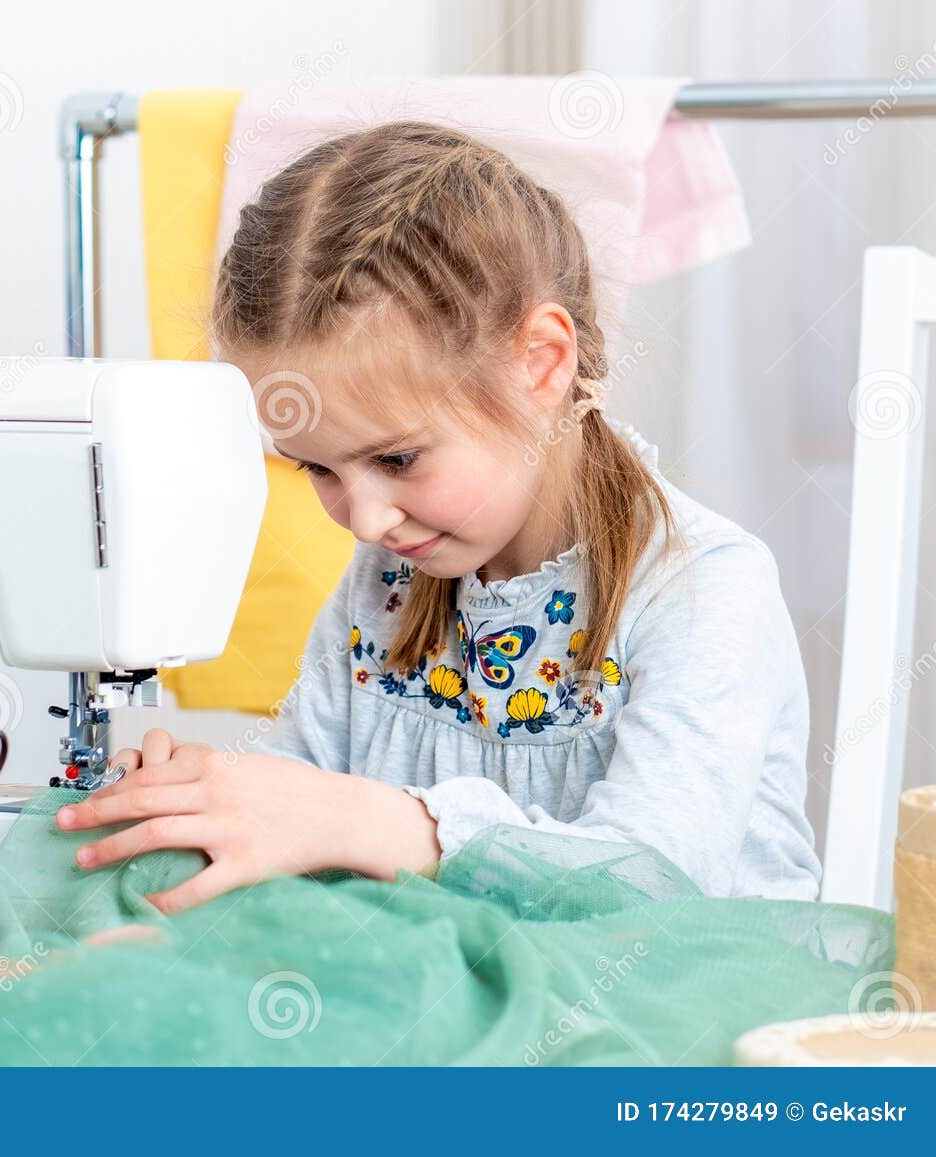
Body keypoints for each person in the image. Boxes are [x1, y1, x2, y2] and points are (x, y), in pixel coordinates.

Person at [56, 121, 820, 911]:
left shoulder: (704, 591)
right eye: (317, 467)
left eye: (396, 459)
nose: (362, 517)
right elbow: (300, 804)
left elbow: (649, 884)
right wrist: (203, 811)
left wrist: (378, 820)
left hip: (678, 1021)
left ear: (541, 365)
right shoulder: (389, 585)